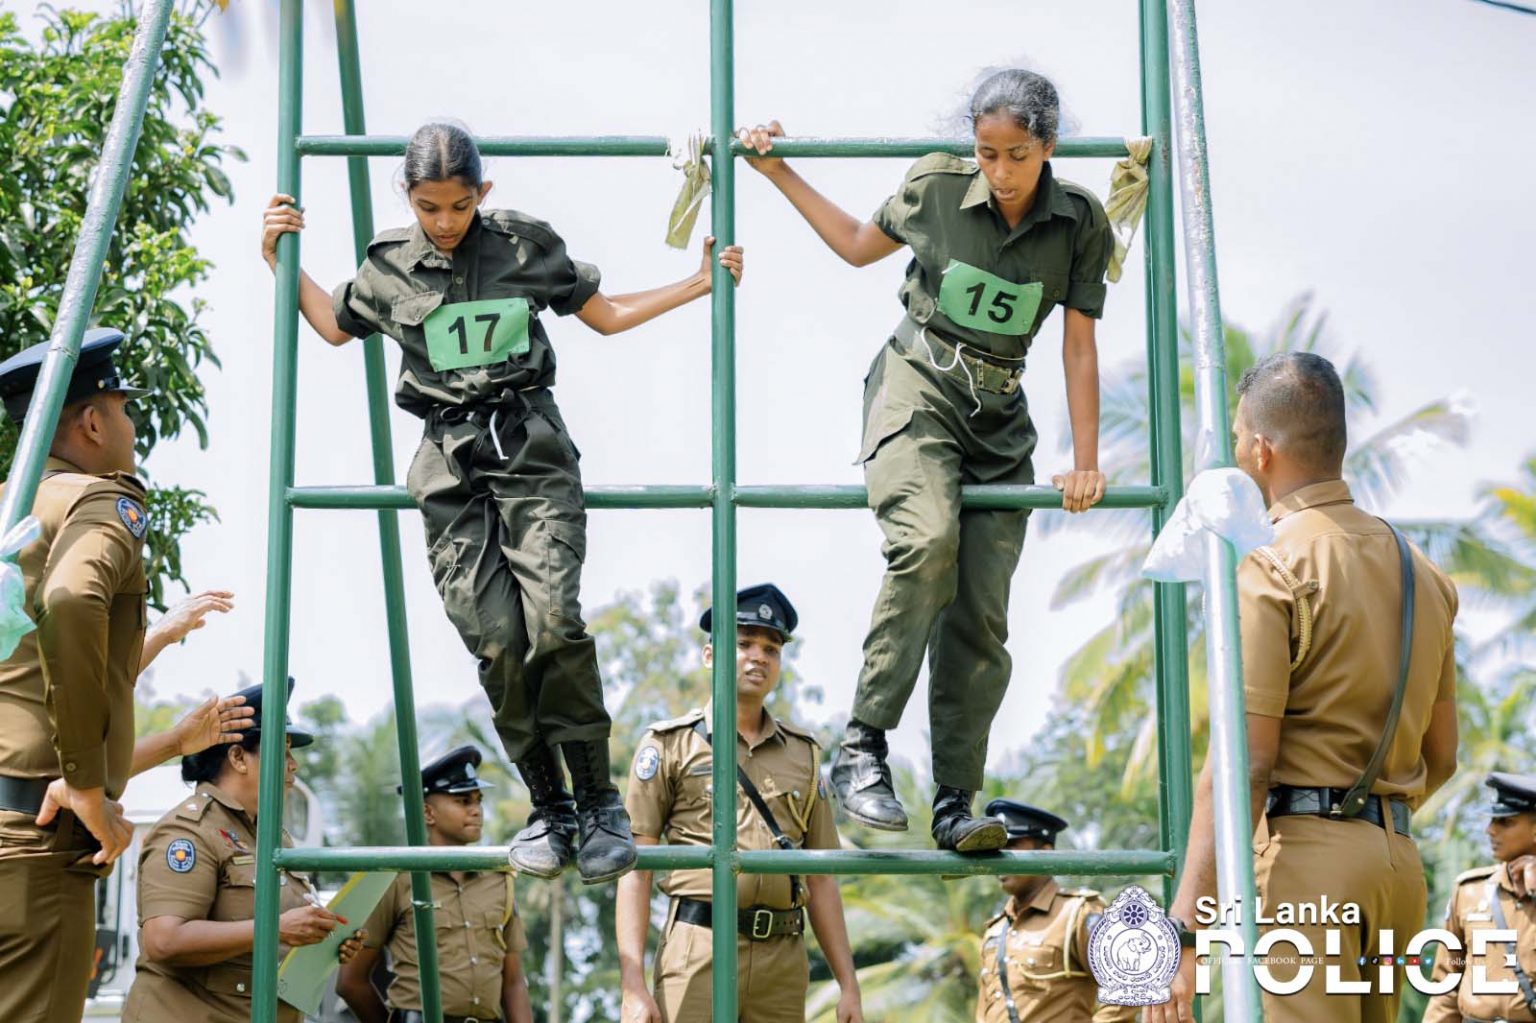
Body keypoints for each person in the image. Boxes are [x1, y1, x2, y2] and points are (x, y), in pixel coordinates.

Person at [261, 122, 745, 885]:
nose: (445, 222)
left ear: (483, 195)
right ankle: (549, 806)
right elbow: (331, 326)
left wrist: (696, 282)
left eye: (458, 206)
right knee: (497, 641)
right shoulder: (388, 265)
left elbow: (606, 312)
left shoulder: (523, 247)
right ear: (408, 198)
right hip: (449, 469)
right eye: (429, 208)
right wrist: (281, 260)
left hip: (529, 449)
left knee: (553, 620)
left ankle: (598, 801)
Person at [737, 69, 1113, 852]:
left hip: (1001, 420)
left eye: (1016, 154)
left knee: (980, 608)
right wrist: (777, 171)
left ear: (1047, 148)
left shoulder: (1079, 222)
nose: (1000, 171)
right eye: (986, 152)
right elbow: (852, 246)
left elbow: (1079, 343)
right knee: (928, 540)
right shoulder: (937, 188)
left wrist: (1085, 459)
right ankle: (863, 745)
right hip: (918, 390)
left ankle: (954, 799)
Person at [1148, 352, 1460, 1023]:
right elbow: (1443, 757)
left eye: (1237, 437)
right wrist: (1373, 822)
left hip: (1306, 872)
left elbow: (1244, 766)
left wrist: (1185, 928)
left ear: (1261, 449)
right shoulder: (1427, 575)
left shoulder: (1269, 566)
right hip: (1398, 872)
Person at [0, 328, 248, 1023]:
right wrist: (85, 783)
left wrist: (158, 635)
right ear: (92, 421)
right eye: (126, 409)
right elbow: (72, 600)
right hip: (33, 843)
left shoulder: (8, 514)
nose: (132, 427)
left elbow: (31, 665)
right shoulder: (100, 501)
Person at [616, 583, 864, 1023]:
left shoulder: (803, 753)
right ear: (711, 656)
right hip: (699, 948)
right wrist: (632, 985)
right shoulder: (669, 745)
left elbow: (822, 878)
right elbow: (636, 868)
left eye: (771, 648)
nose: (758, 657)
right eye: (744, 643)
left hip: (783, 958)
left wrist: (848, 984)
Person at [122, 678, 365, 1022]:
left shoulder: (271, 837)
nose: (293, 765)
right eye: (282, 752)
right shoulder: (189, 831)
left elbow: (277, 935)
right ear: (237, 757)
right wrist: (275, 927)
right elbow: (164, 940)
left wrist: (326, 939)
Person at [337, 744, 535, 1023]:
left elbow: (513, 982)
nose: (476, 810)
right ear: (428, 813)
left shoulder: (499, 879)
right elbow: (351, 982)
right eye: (463, 801)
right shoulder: (398, 879)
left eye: (478, 800)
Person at [975, 800, 1135, 1023]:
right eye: (997, 850)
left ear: (1046, 853)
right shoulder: (995, 931)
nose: (1001, 858)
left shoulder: (1078, 913)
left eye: (1012, 846)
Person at [1425, 771, 1536, 1023]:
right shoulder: (1469, 890)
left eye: (1505, 822)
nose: (1489, 830)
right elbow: (1446, 984)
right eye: (1491, 820)